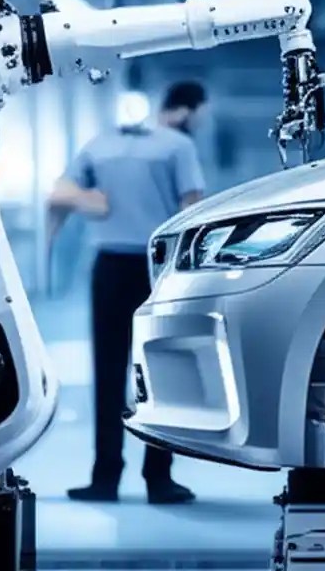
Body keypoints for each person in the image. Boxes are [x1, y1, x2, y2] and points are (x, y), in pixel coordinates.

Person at [49, 80, 208, 504]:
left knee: (108, 371)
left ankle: (105, 477)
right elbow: (192, 210)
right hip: (158, 270)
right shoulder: (179, 147)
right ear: (190, 109)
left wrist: (90, 208)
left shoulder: (98, 145)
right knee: (161, 371)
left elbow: (60, 193)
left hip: (108, 268)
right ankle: (158, 478)